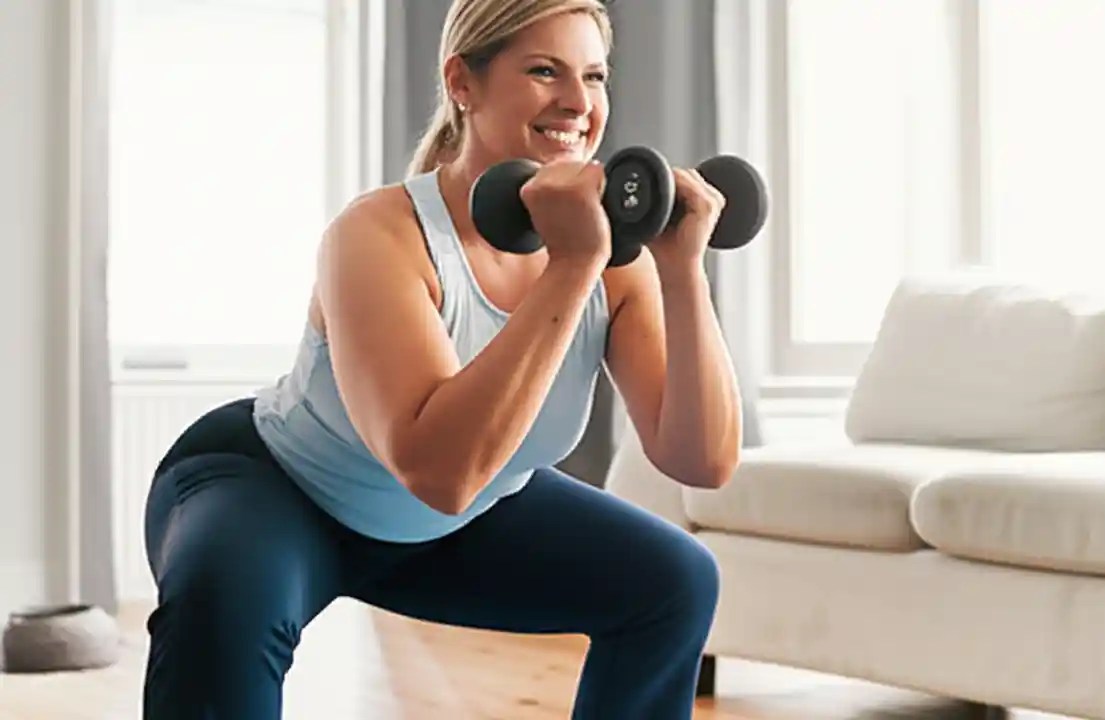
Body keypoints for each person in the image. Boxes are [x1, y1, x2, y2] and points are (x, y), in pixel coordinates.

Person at [140, 0, 743, 717]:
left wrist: (682, 272)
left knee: (674, 582)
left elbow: (701, 461)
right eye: (544, 71)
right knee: (221, 605)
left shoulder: (614, 261)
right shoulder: (378, 234)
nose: (579, 104)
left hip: (460, 521)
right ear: (463, 83)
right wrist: (573, 263)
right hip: (282, 492)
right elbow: (440, 471)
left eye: (594, 76)